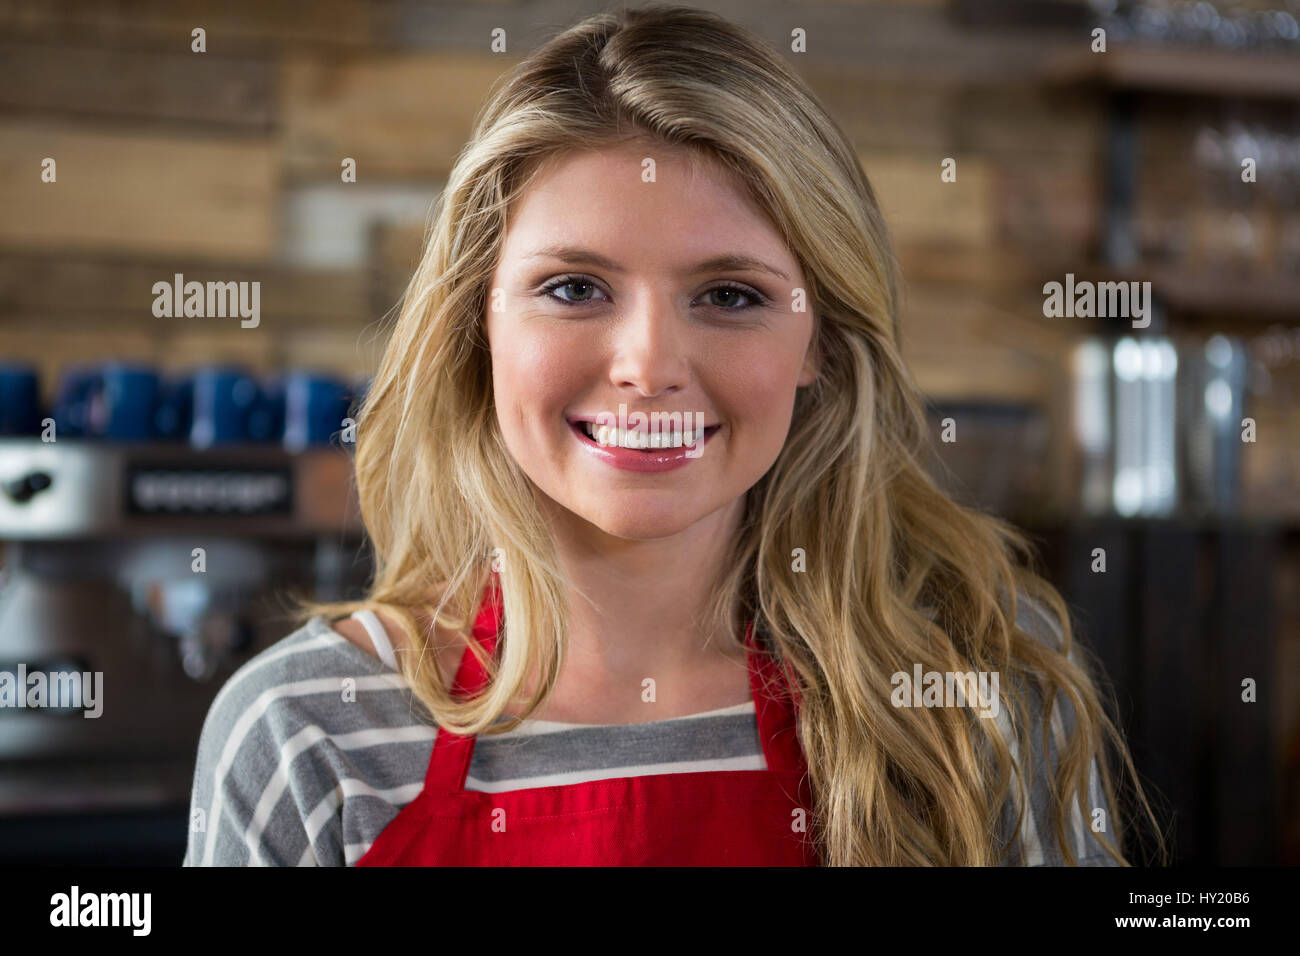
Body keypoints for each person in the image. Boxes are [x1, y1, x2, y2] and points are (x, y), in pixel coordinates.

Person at [184, 3, 1163, 866]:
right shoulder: (304, 733)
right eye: (574, 288)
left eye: (729, 293)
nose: (648, 364)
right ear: (477, 322)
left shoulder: (972, 684)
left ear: (816, 338)